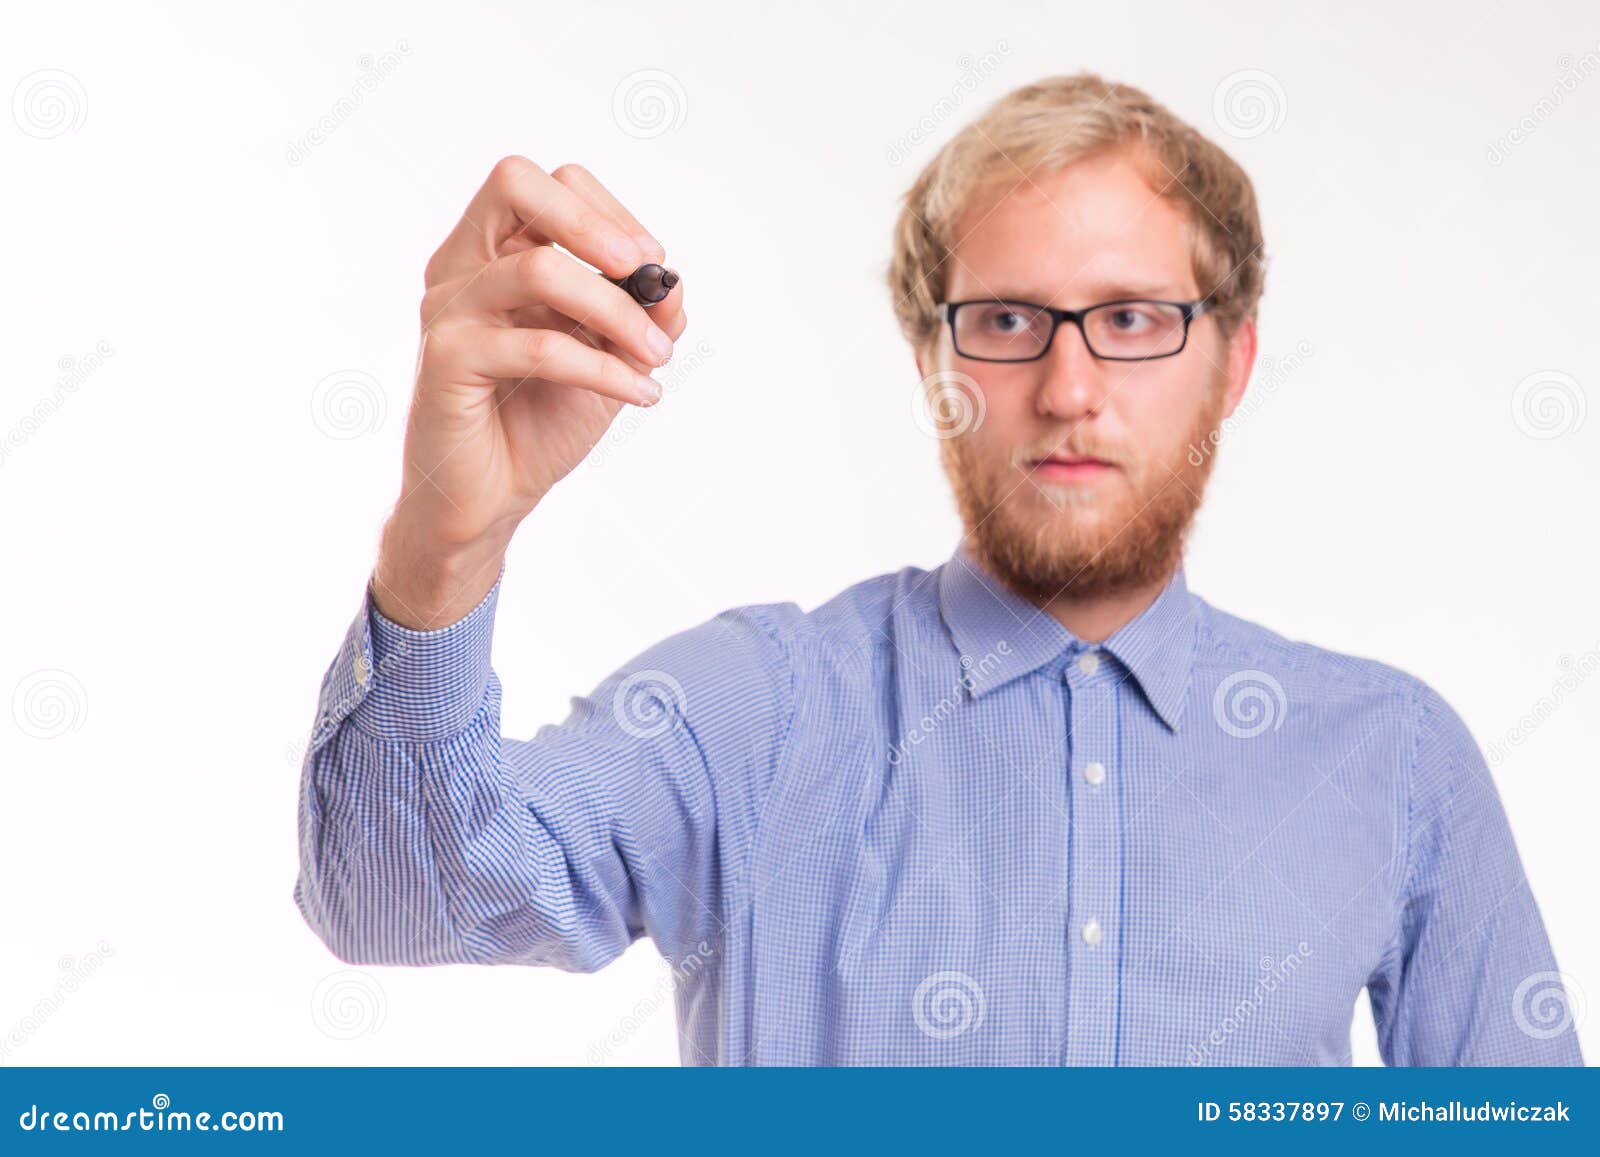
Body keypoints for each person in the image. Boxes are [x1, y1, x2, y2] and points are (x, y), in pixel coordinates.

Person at [292, 72, 1582, 1066]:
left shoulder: (1393, 757)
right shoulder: (753, 712)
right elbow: (394, 906)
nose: (1069, 390)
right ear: (935, 366)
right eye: (1008, 322)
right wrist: (447, 543)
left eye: (1132, 319)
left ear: (1232, 362)